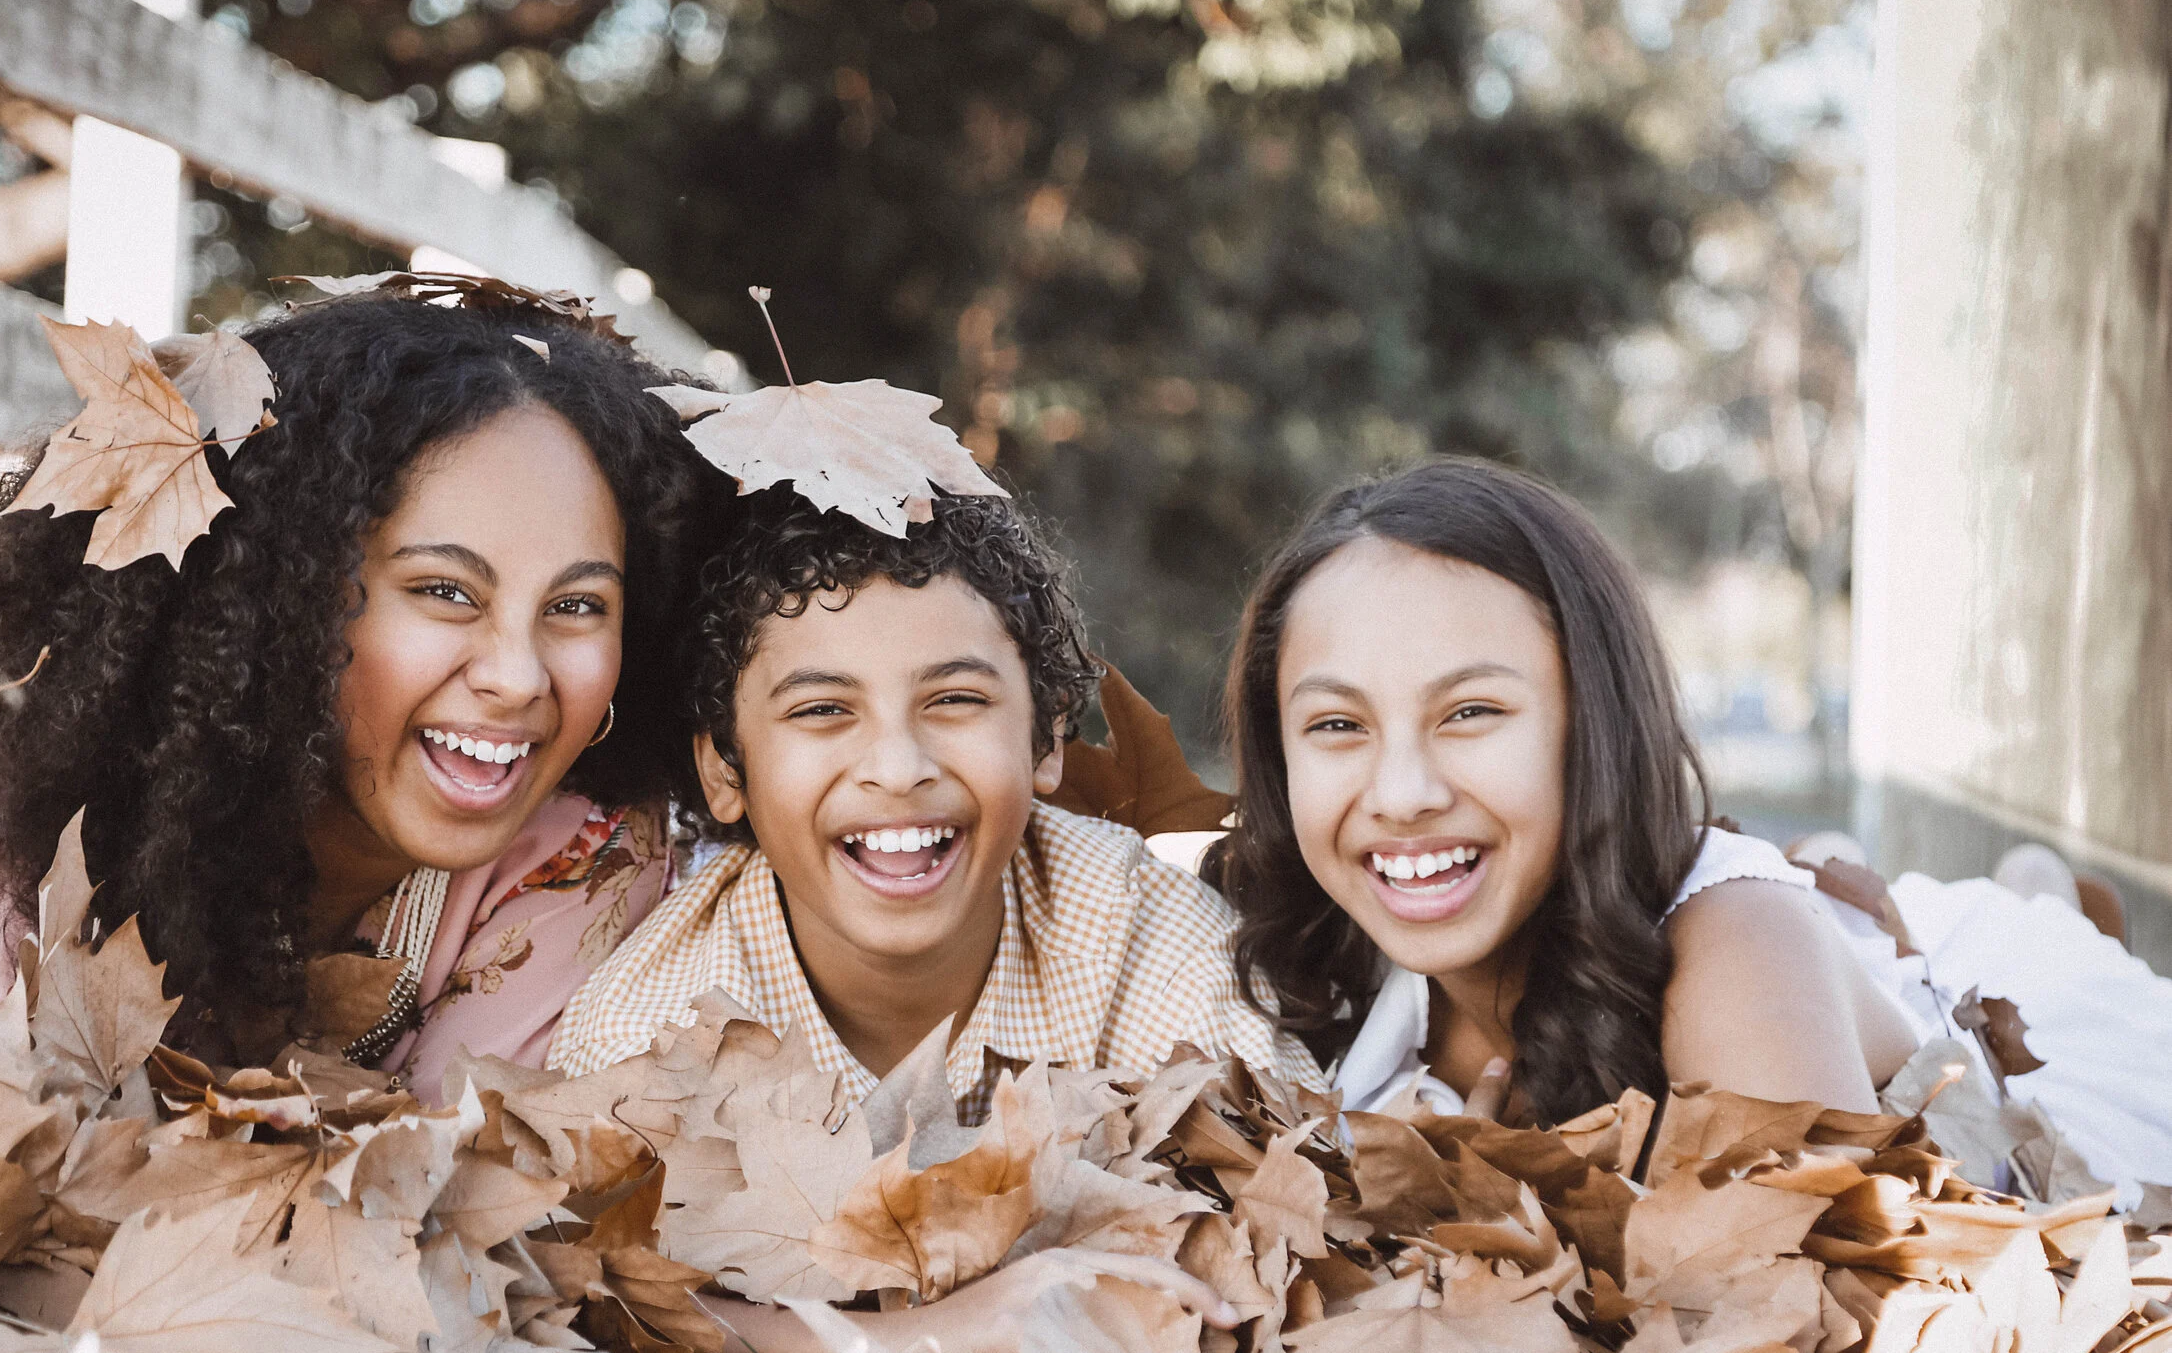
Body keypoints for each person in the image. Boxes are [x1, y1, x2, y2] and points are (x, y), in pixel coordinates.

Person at [0, 288, 720, 1099]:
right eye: (445, 590)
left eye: (576, 605)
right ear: (287, 601)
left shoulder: (586, 844)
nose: (519, 676)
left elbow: (461, 1199)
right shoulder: (47, 808)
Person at [549, 489, 1319, 1108]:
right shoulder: (648, 1040)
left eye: (954, 699)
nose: (897, 767)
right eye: (822, 710)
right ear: (724, 770)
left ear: (1048, 738)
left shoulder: (1149, 944)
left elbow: (1288, 1209)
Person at [1216, 456, 1917, 1127]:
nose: (1401, 796)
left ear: (1594, 720)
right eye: (1338, 723)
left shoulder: (1742, 947)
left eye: (1471, 712)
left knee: (1844, 899)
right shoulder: (1285, 955)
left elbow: (1790, 1247)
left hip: (1935, 997)